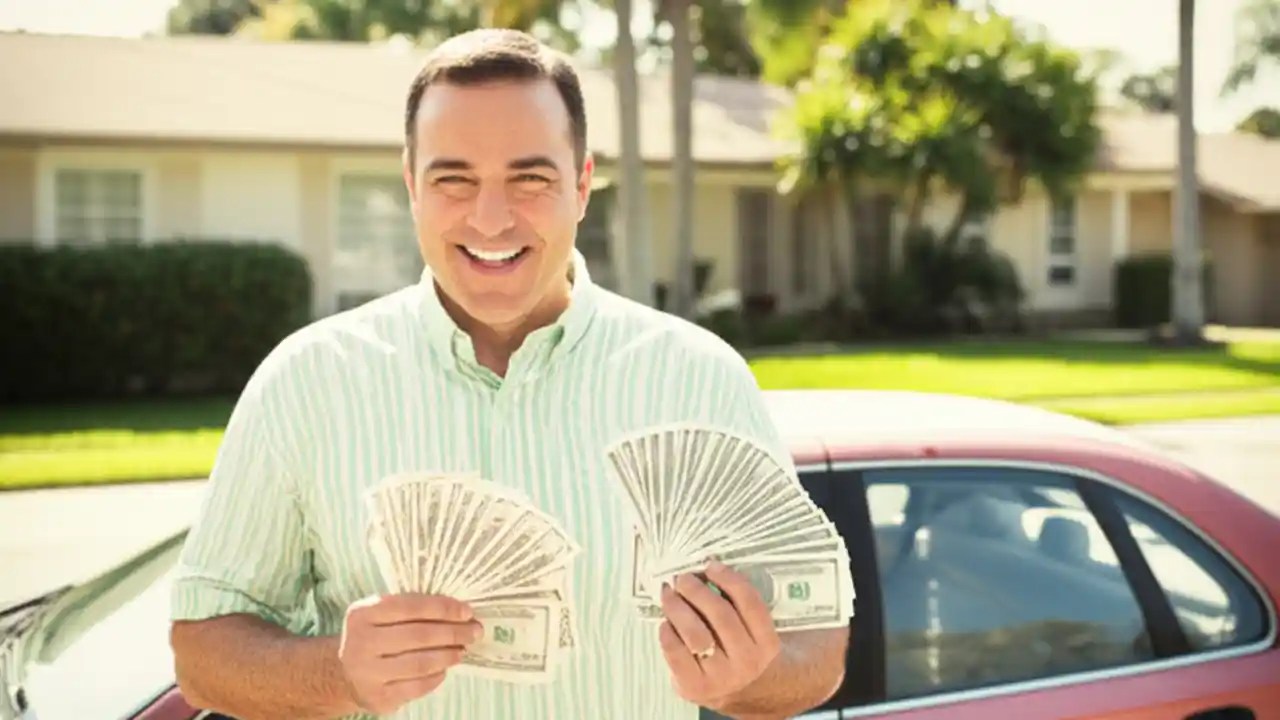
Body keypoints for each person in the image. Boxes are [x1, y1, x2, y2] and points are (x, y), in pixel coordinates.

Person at [168, 27, 849, 720]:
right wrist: (336, 672)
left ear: (582, 186)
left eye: (530, 178)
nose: (491, 219)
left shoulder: (701, 379)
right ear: (411, 188)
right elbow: (201, 656)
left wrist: (746, 681)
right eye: (453, 179)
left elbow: (817, 654)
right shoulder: (304, 384)